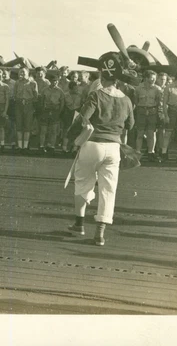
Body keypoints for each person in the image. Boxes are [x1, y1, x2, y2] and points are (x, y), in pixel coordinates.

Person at [67, 55, 135, 246]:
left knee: (82, 183)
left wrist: (71, 138)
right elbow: (130, 124)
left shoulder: (96, 95)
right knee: (109, 189)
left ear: (102, 78)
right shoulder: (127, 100)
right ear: (117, 80)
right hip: (114, 147)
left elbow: (82, 119)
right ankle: (100, 233)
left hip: (92, 144)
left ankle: (79, 224)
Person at [133, 70, 163, 162]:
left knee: (151, 133)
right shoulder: (138, 89)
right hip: (141, 111)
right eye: (151, 78)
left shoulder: (157, 89)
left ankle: (151, 152)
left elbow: (159, 102)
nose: (153, 80)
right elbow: (135, 101)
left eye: (154, 78)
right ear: (145, 78)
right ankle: (137, 154)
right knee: (140, 133)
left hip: (152, 112)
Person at [38, 70, 65, 154]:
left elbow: (62, 103)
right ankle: (42, 146)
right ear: (50, 81)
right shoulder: (44, 90)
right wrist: (43, 110)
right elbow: (41, 101)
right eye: (53, 80)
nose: (55, 82)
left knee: (53, 130)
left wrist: (59, 112)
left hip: (55, 111)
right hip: (46, 111)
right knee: (43, 130)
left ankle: (51, 146)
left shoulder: (60, 91)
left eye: (56, 81)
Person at [13, 68, 38, 152]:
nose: (22, 73)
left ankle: (25, 146)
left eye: (24, 72)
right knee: (19, 125)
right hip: (19, 104)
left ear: (28, 73)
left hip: (29, 105)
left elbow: (36, 95)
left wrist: (30, 103)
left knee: (27, 126)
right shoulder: (17, 83)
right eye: (20, 72)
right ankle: (20, 146)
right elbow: (15, 94)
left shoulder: (33, 83)